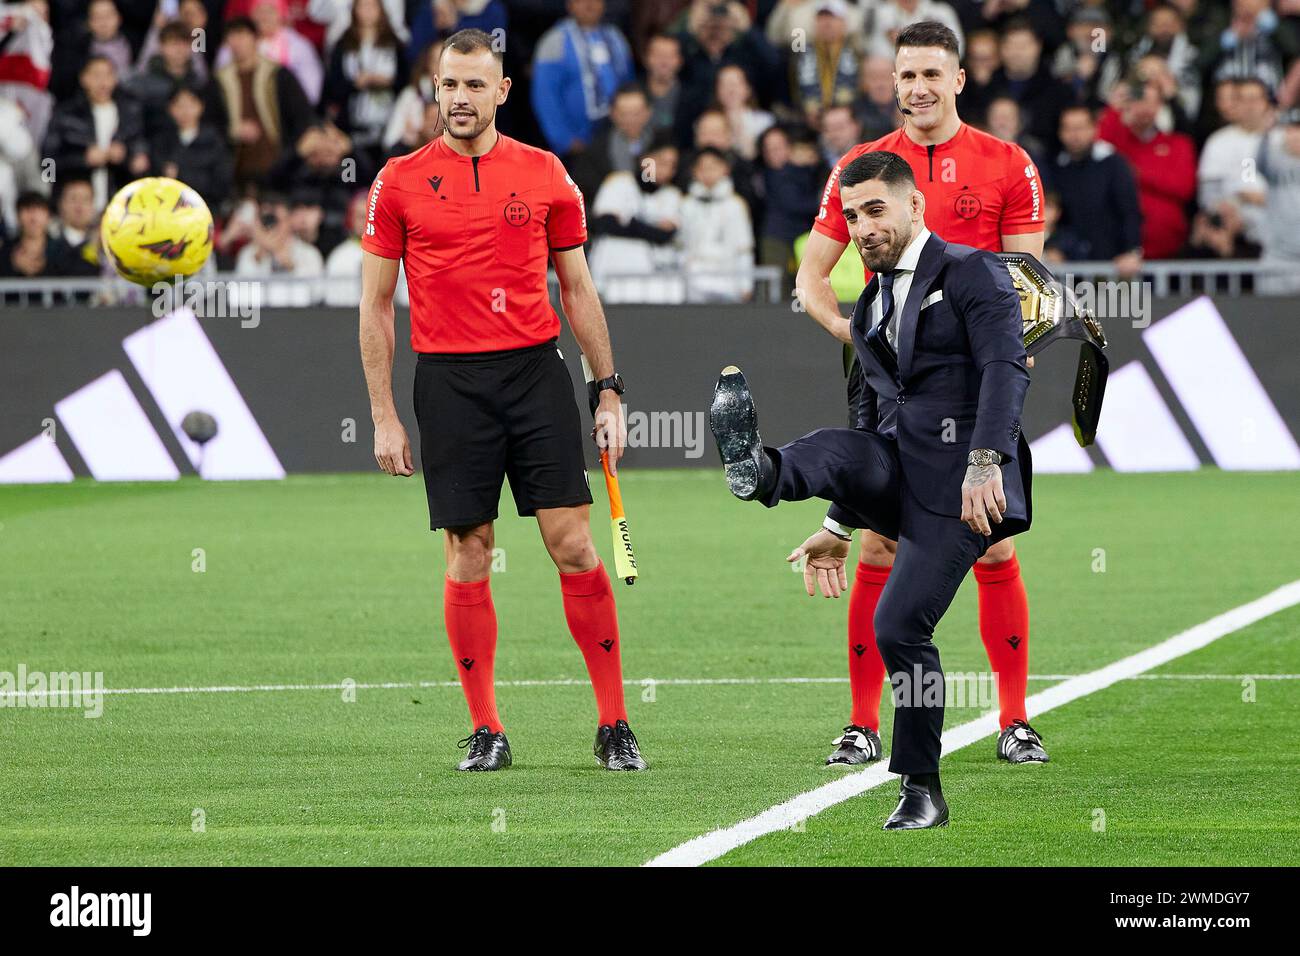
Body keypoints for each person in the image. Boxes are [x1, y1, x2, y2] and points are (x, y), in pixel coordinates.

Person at [709, 149, 1032, 829]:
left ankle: (922, 788)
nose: (861, 228)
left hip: (962, 487)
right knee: (838, 443)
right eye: (852, 216)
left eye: (875, 210)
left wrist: (985, 462)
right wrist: (838, 526)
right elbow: (866, 422)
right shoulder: (869, 305)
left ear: (916, 205)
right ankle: (759, 472)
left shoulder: (974, 272)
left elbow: (1006, 369)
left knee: (899, 625)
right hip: (896, 466)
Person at [358, 29, 648, 773]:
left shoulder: (546, 172)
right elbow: (375, 305)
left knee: (572, 543)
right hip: (448, 383)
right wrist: (384, 415)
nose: (460, 98)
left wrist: (608, 390)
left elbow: (577, 288)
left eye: (474, 85)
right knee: (469, 551)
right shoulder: (397, 181)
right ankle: (487, 729)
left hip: (533, 374)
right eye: (449, 84)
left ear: (502, 92)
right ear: (435, 89)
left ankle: (614, 722)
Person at [795, 20, 1047, 769]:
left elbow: (1026, 289)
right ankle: (861, 723)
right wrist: (857, 335)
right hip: (888, 384)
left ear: (960, 79)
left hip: (969, 385)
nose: (918, 88)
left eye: (933, 73)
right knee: (879, 536)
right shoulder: (863, 167)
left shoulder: (1008, 164)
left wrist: (998, 367)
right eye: (906, 74)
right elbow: (810, 277)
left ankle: (1014, 720)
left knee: (992, 537)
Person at [1098, 75, 1196, 259]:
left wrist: (1135, 172)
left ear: (1160, 106)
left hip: (1168, 247)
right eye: (1138, 100)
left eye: (1151, 101)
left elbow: (1184, 187)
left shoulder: (1178, 143)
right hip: (1118, 250)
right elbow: (1096, 152)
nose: (1144, 107)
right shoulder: (1117, 139)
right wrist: (1114, 109)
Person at [214, 16, 314, 188]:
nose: (237, 42)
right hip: (235, 171)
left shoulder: (279, 75)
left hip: (279, 169)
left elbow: (302, 116)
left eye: (242, 35)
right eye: (232, 36)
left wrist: (292, 154)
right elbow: (210, 123)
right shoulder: (218, 82)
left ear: (255, 38)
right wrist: (232, 130)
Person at [42, 56, 149, 211]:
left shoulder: (131, 114)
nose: (102, 82)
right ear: (83, 79)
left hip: (121, 205)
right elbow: (47, 163)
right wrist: (82, 159)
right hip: (75, 206)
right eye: (96, 75)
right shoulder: (66, 115)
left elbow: (142, 158)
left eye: (108, 75)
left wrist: (127, 158)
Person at [530, 0, 634, 157]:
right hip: (577, 140)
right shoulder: (554, 41)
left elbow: (629, 84)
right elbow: (545, 97)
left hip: (617, 134)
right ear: (570, 5)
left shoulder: (616, 37)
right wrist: (565, 140)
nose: (589, 5)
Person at [587, 134, 683, 303]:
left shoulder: (672, 195)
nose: (666, 170)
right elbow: (605, 224)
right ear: (645, 159)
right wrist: (650, 227)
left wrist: (629, 223)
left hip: (651, 276)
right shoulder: (620, 182)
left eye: (672, 165)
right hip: (612, 269)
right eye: (661, 162)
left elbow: (664, 235)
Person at [1052, 105, 1142, 275]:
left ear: (1094, 129)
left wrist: (1131, 250)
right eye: (1068, 128)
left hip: (1114, 264)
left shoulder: (1114, 163)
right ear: (1060, 133)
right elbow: (1056, 217)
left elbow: (1129, 211)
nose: (1075, 135)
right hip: (1071, 267)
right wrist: (1054, 247)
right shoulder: (1056, 167)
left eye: (1080, 128)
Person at [679, 145, 755, 302]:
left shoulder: (736, 205)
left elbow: (744, 248)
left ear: (725, 169)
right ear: (694, 172)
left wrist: (746, 285)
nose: (708, 173)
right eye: (702, 168)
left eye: (713, 167)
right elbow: (681, 246)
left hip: (728, 278)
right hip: (694, 281)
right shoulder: (686, 205)